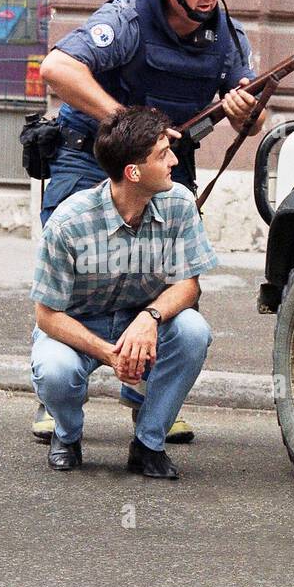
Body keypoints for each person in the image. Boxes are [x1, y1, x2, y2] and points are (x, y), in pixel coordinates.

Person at [30, 0, 265, 443]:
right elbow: (57, 68)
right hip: (91, 159)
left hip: (165, 164)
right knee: (74, 274)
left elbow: (253, 117)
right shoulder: (128, 17)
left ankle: (150, 399)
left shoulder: (226, 36)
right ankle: (55, 396)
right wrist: (123, 123)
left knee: (171, 276)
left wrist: (246, 112)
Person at [29, 107, 217, 479]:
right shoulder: (69, 222)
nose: (174, 162)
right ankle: (67, 435)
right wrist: (109, 354)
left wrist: (150, 318)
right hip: (77, 325)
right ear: (133, 173)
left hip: (141, 320)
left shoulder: (179, 203)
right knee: (55, 370)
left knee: (193, 331)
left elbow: (188, 284)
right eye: (163, 155)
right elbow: (46, 315)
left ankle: (148, 444)